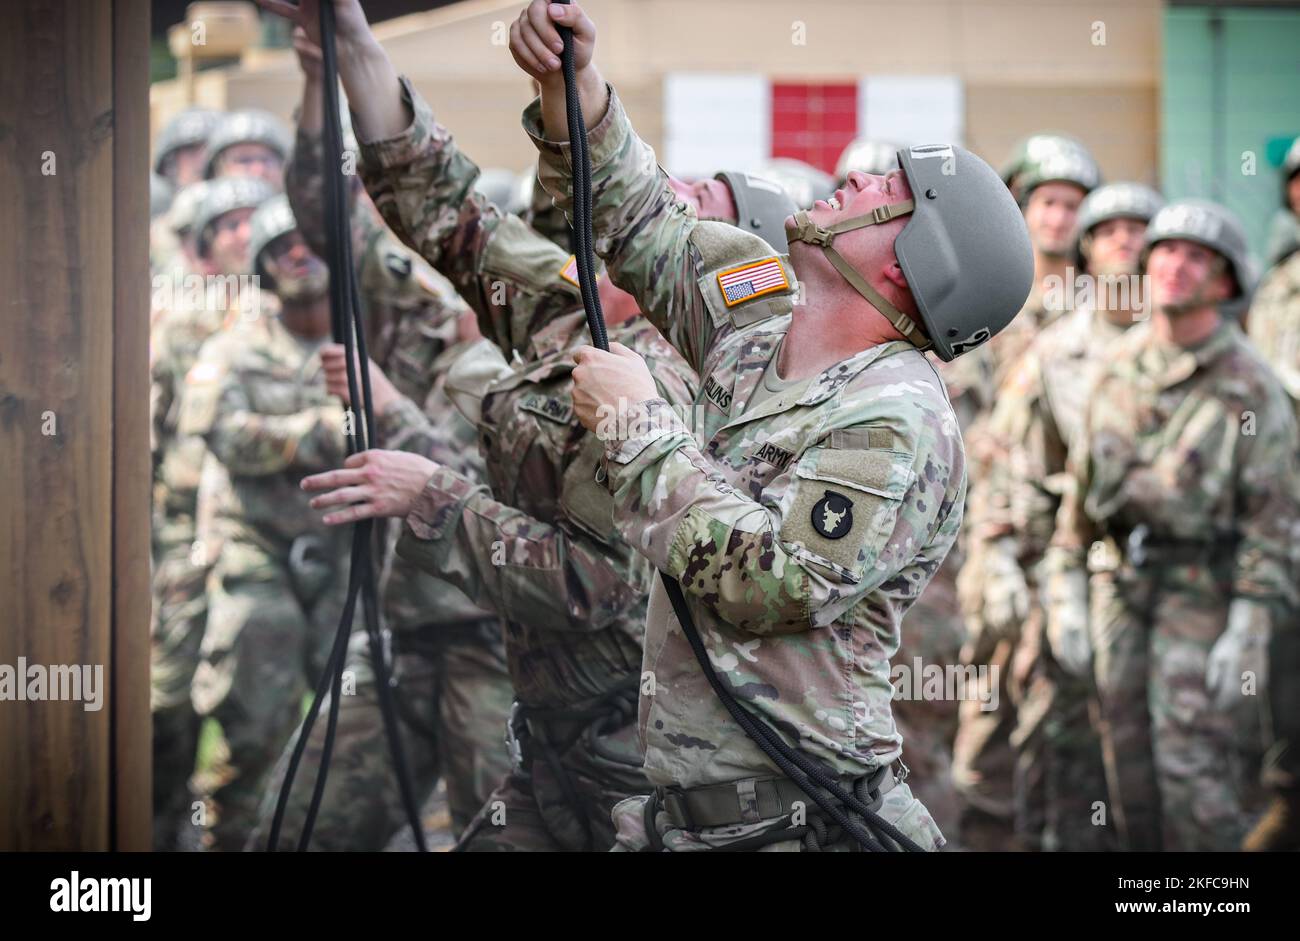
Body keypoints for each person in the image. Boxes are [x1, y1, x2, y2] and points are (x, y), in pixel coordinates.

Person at [510, 0, 1033, 851]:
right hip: (697, 820)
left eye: (892, 191)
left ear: (912, 269)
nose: (861, 178)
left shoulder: (897, 417)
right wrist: (577, 86)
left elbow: (778, 584)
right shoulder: (758, 324)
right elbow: (646, 224)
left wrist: (640, 427)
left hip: (804, 822)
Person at [1044, 198, 1299, 851]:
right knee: (1125, 774)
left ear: (1224, 281)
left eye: (1196, 257)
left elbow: (1273, 520)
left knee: (1195, 777)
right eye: (1165, 250)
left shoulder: (1251, 387)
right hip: (1121, 590)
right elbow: (1081, 496)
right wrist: (1065, 586)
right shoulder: (1116, 369)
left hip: (1204, 591)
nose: (1175, 266)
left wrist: (1251, 621)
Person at [982, 182, 1163, 850]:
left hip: (1165, 582)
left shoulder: (1179, 345)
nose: (1125, 240)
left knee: (1164, 751)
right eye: (1109, 228)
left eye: (1140, 227)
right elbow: (1015, 465)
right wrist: (1007, 565)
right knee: (1057, 740)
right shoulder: (1055, 350)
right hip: (1067, 566)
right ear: (1087, 245)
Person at [178, 195, 354, 850]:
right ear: (264, 267)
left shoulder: (368, 343)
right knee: (254, 722)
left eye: (310, 239)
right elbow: (223, 434)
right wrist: (321, 431)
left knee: (357, 727)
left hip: (349, 550)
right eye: (283, 248)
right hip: (258, 549)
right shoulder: (235, 349)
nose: (300, 254)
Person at [149, 175, 275, 849]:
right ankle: (152, 830)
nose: (242, 233)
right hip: (180, 536)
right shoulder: (177, 319)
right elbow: (149, 429)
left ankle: (234, 830)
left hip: (257, 532)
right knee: (168, 698)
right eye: (228, 222)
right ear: (205, 241)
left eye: (253, 219)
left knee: (255, 699)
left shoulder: (287, 313)